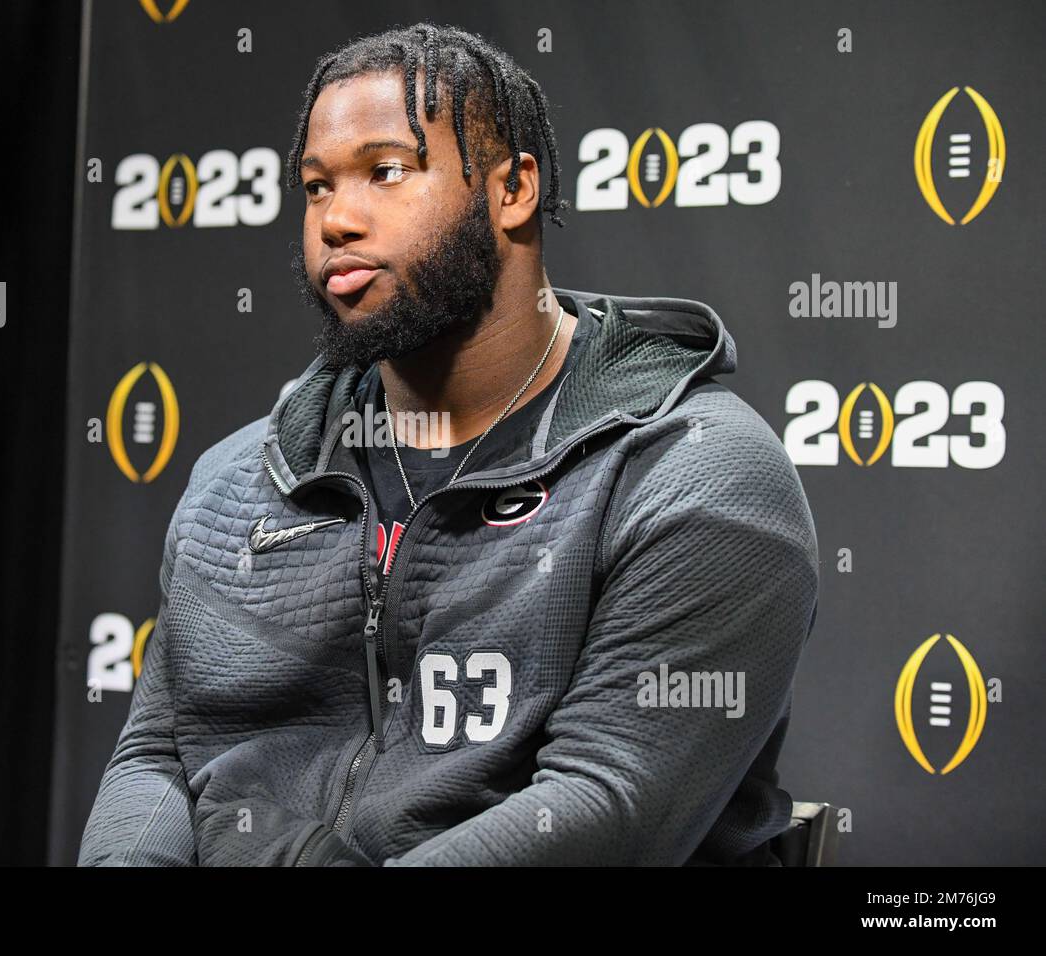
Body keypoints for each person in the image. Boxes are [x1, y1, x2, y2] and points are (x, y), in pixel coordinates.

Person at [78, 22, 818, 866]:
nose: (337, 221)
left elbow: (609, 808)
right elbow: (159, 758)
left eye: (385, 172)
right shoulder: (243, 479)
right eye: (317, 187)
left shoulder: (690, 470)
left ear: (513, 191)